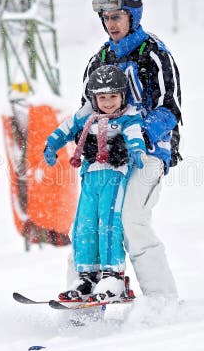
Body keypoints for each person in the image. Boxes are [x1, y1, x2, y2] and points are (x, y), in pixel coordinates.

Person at [76, 0, 183, 301]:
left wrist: (137, 136)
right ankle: (85, 295)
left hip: (150, 151)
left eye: (117, 16)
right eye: (106, 18)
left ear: (133, 17)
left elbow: (170, 109)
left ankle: (161, 300)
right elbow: (85, 109)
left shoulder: (154, 54)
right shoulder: (100, 60)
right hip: (108, 156)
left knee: (130, 219)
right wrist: (89, 142)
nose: (111, 24)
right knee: (89, 221)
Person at [43, 65, 147, 302]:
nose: (108, 102)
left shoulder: (127, 116)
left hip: (114, 175)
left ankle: (113, 276)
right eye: (102, 97)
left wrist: (137, 151)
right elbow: (67, 128)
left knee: (108, 223)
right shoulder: (87, 114)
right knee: (84, 224)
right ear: (93, 97)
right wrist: (51, 145)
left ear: (123, 96)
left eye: (113, 96)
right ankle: (87, 275)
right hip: (90, 177)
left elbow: (134, 135)